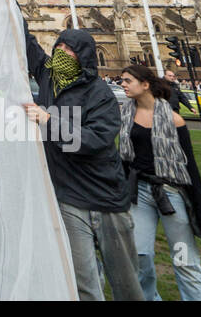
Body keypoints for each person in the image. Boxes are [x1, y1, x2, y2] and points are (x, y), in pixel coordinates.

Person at [23, 26, 143, 301]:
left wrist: (49, 121)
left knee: (126, 284)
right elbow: (27, 41)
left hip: (105, 198)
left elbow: (94, 140)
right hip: (69, 198)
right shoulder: (48, 76)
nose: (62, 53)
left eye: (70, 50)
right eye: (60, 48)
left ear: (84, 57)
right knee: (84, 282)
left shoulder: (100, 94)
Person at [117, 64, 201, 301]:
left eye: (127, 80)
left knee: (184, 260)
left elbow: (190, 168)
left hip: (171, 193)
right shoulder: (125, 114)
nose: (122, 85)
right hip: (140, 192)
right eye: (122, 80)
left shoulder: (174, 120)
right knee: (140, 256)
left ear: (145, 84)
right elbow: (122, 159)